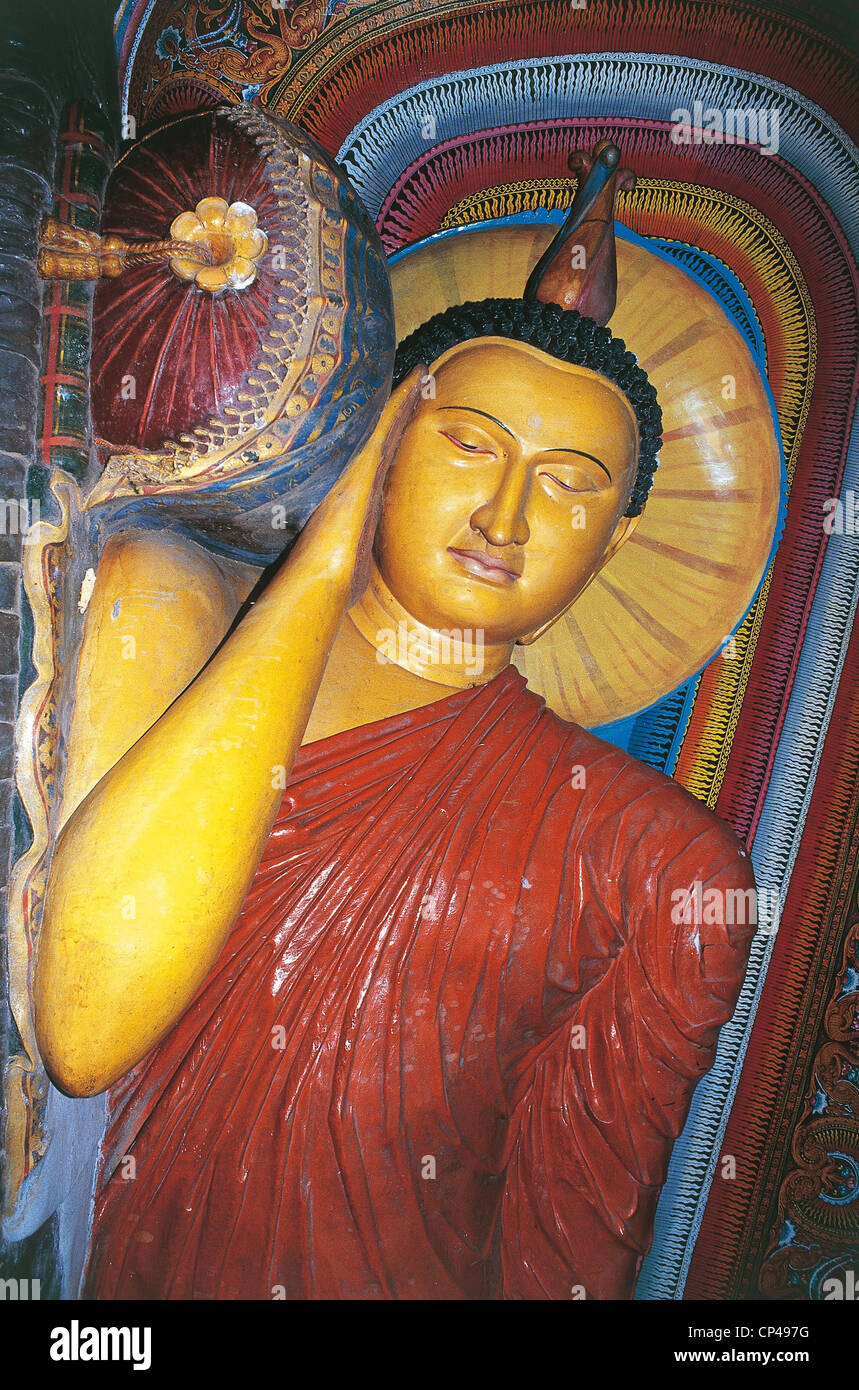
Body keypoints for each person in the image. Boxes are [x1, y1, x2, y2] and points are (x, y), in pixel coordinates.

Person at [33, 288, 756, 1299]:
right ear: (383, 444)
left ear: (615, 542)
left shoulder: (654, 860)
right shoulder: (180, 614)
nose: (505, 517)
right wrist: (326, 562)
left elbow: (572, 1240)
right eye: (466, 445)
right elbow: (86, 1025)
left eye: (567, 486)